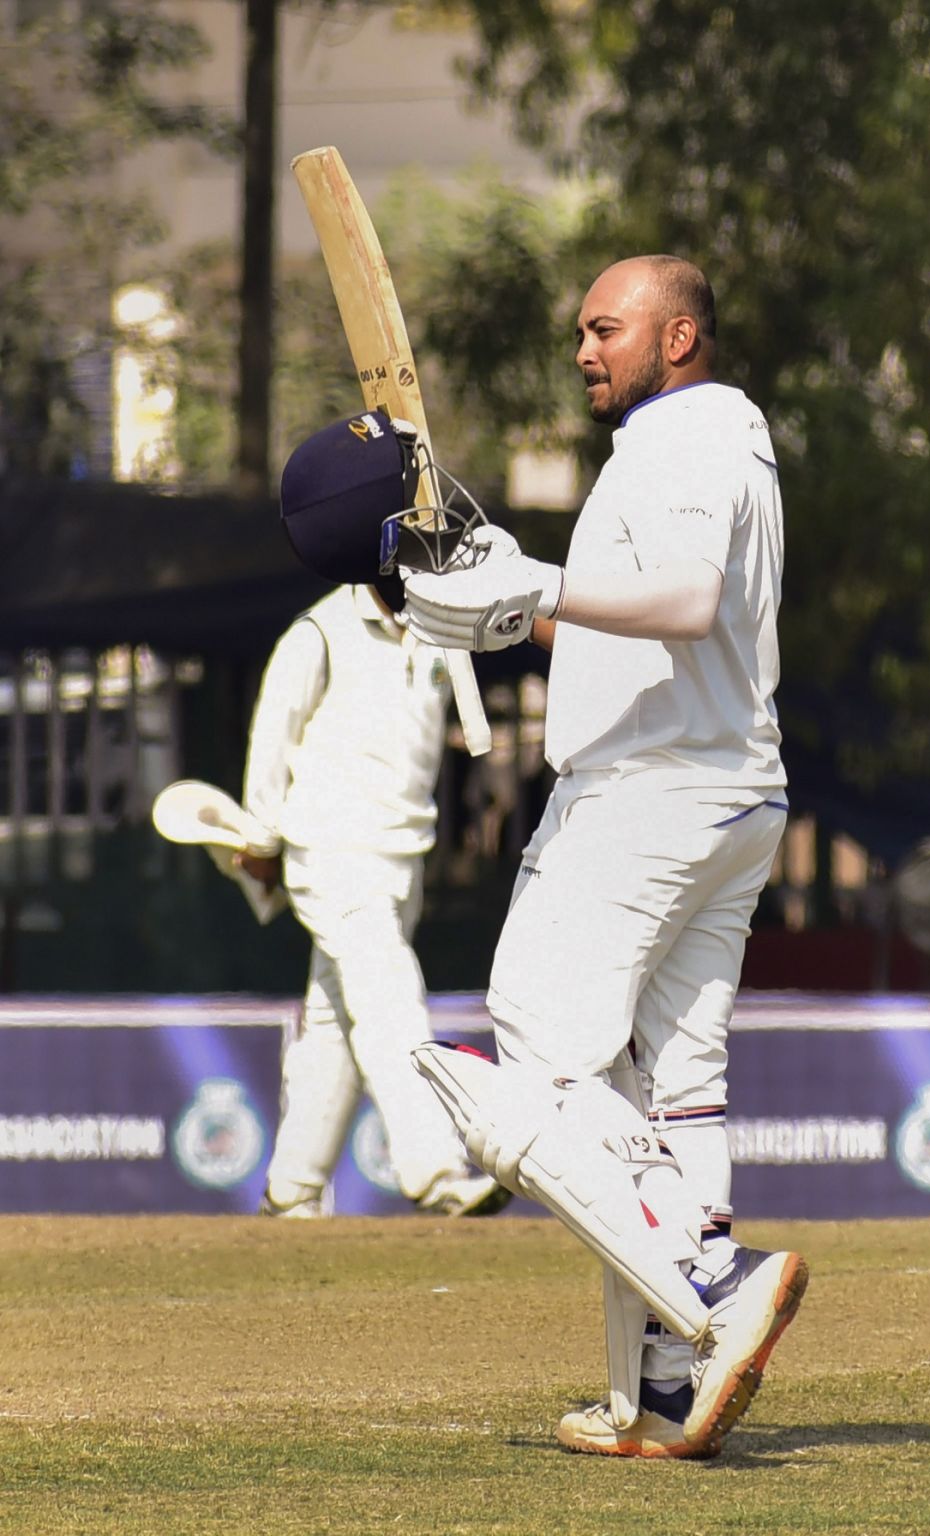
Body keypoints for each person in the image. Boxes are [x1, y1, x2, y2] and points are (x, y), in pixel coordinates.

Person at [399, 255, 807, 1459]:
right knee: (674, 1087)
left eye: (606, 329)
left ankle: (715, 1285)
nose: (585, 349)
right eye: (581, 330)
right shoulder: (714, 439)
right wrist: (524, 596)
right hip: (727, 790)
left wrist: (538, 589)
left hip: (650, 794)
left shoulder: (688, 432)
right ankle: (668, 1392)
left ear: (678, 336)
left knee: (534, 1053)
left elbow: (683, 598)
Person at [238, 413, 509, 1221]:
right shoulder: (319, 633)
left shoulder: (436, 623)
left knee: (334, 1022)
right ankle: (435, 1172)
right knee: (391, 999)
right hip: (331, 850)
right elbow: (270, 739)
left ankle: (290, 1192)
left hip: (400, 858)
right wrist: (258, 840)